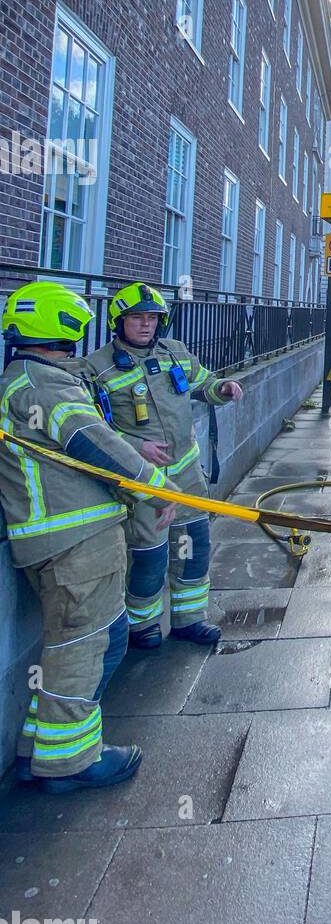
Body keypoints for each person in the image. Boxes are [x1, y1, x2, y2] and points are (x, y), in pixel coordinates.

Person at [0, 281, 179, 793]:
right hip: (74, 539)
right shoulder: (43, 385)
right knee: (89, 645)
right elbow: (90, 440)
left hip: (60, 537)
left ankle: (40, 747)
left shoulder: (25, 378)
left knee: (71, 645)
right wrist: (156, 490)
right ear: (66, 326)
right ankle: (72, 763)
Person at [80, 283, 242, 651]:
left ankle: (189, 620)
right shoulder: (97, 369)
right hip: (142, 485)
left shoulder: (176, 353)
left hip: (187, 479)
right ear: (119, 322)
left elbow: (204, 384)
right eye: (137, 317)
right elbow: (91, 428)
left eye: (152, 318)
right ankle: (143, 626)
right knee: (148, 559)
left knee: (193, 550)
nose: (145, 325)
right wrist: (137, 446)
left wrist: (225, 387)